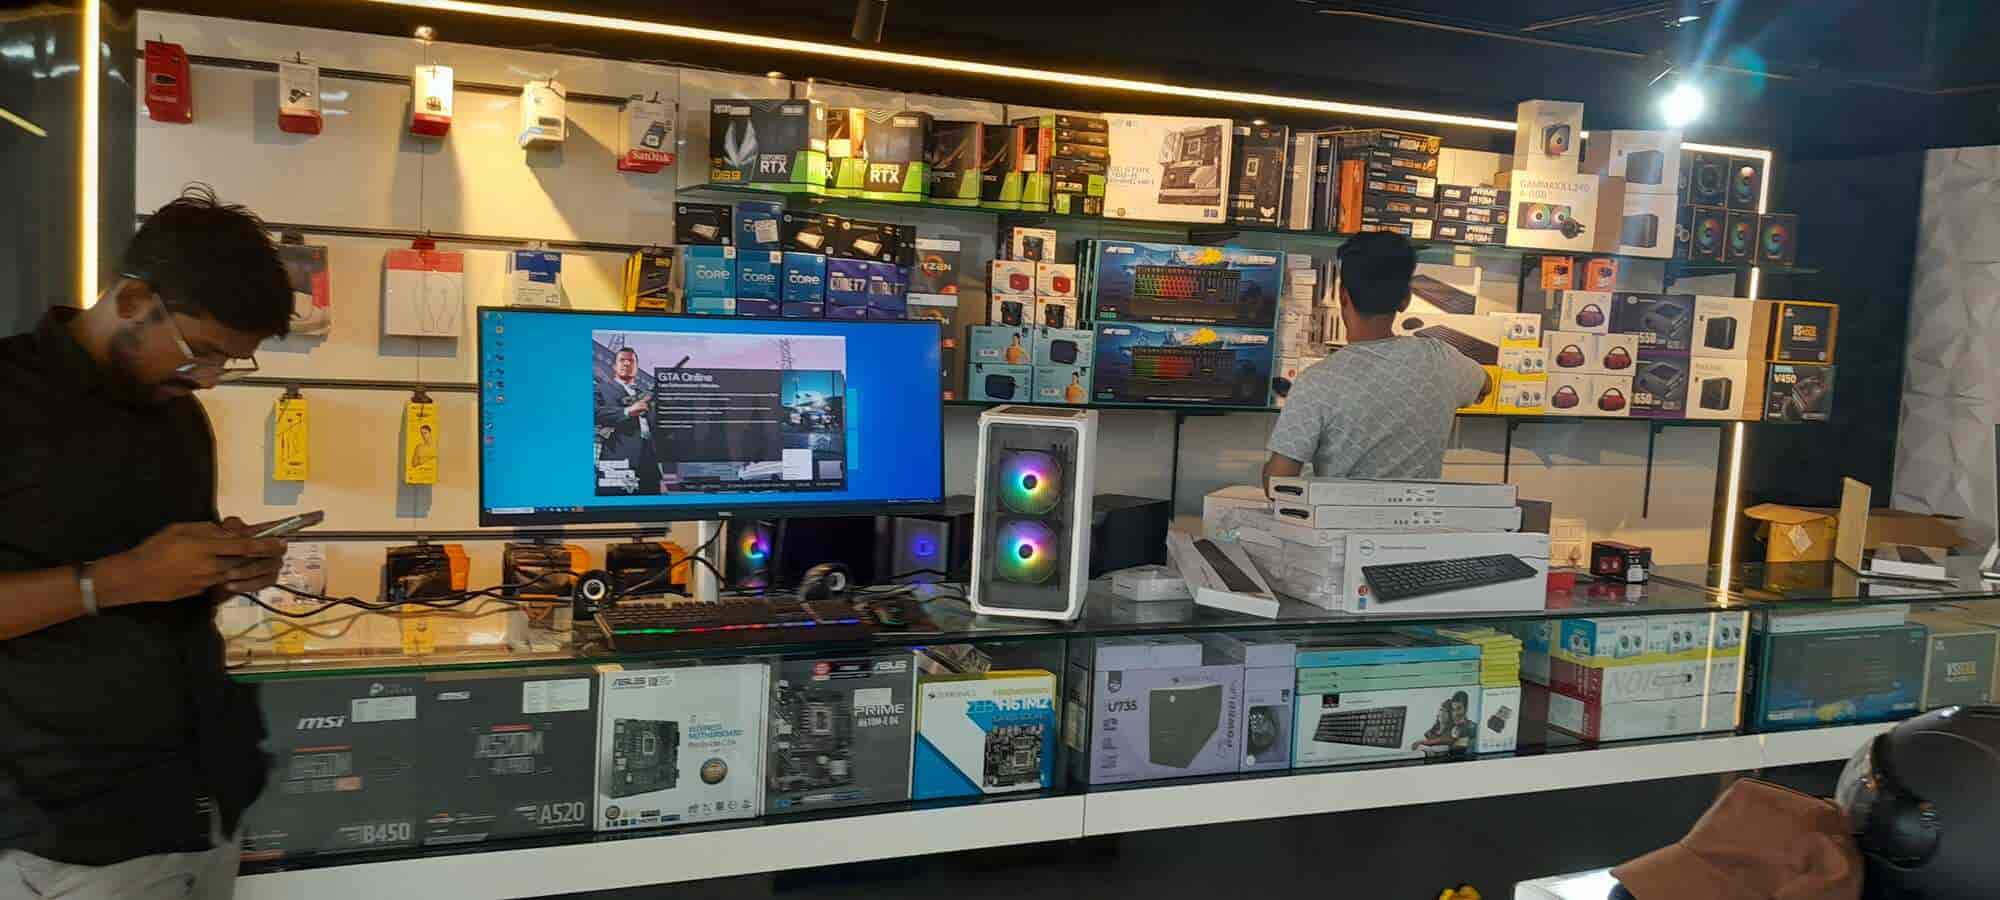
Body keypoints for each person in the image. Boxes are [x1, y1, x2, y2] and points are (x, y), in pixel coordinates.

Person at [0, 186, 295, 899]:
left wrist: (222, 568)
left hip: (203, 802)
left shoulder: (178, 417)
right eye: (202, 353)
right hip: (66, 833)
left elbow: (167, 584)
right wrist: (115, 580)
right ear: (133, 299)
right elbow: (132, 577)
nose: (211, 380)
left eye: (231, 363)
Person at [1263, 231, 1491, 494]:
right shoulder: (1442, 359)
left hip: (1339, 518)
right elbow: (1485, 383)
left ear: (1342, 296)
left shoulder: (1317, 381)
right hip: (1420, 518)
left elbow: (1277, 483)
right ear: (1405, 299)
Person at [594, 345, 659, 493]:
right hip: (618, 458)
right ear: (614, 366)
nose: (627, 363)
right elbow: (595, 412)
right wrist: (627, 411)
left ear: (636, 367)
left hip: (648, 463)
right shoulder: (601, 389)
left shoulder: (644, 394)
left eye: (631, 361)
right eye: (622, 360)